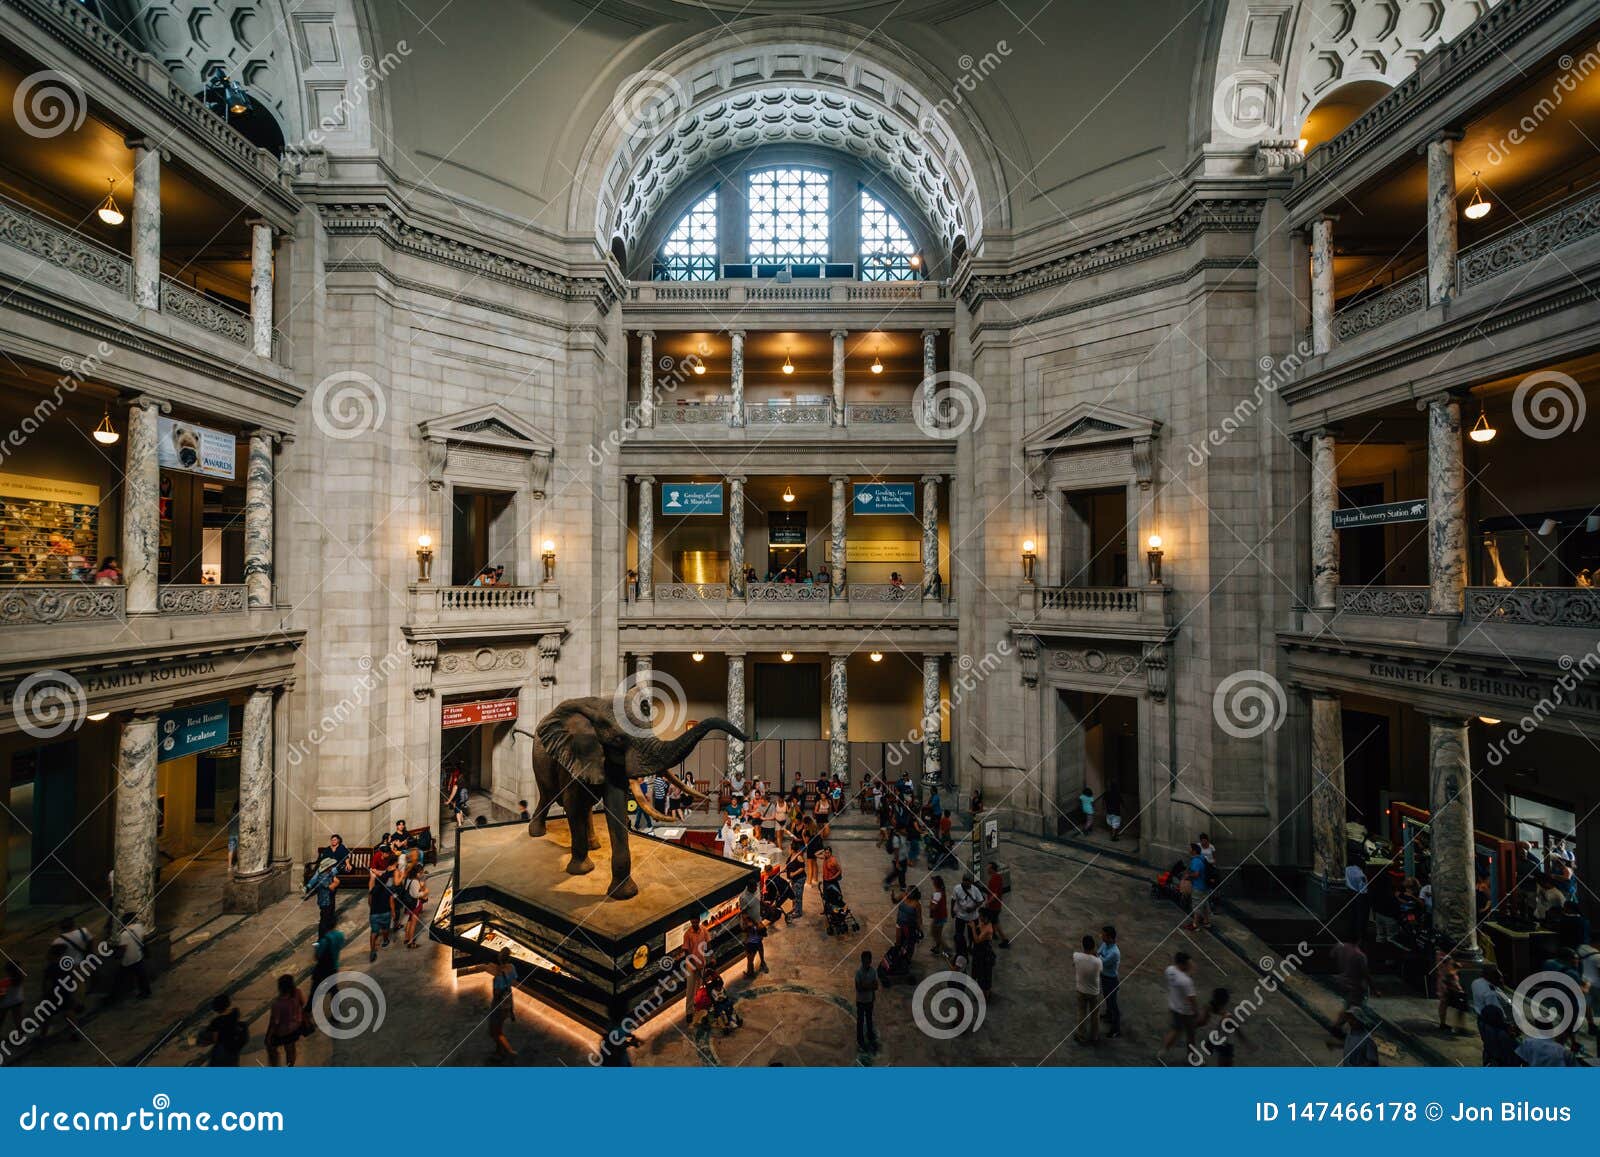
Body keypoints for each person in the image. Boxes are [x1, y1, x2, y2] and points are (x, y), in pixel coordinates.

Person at [1161, 951, 1198, 1056]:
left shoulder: (1169, 970)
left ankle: (1164, 1050)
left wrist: (1189, 972)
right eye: (1188, 963)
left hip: (1174, 1006)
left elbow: (1182, 977)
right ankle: (1192, 1056)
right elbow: (1192, 999)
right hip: (1185, 1011)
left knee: (1176, 1030)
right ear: (1183, 964)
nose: (1191, 965)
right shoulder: (1186, 981)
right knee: (1190, 1034)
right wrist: (1196, 1011)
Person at [265, 974, 306, 1067]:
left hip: (282, 1032)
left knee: (272, 1047)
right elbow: (302, 1004)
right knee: (290, 1048)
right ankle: (290, 1066)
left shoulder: (277, 1004)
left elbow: (275, 1022)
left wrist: (269, 1036)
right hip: (295, 1028)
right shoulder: (297, 992)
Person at [111, 910, 152, 1002]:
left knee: (120, 978)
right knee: (142, 976)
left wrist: (116, 957)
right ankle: (146, 992)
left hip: (128, 960)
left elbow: (123, 949)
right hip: (138, 956)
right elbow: (144, 938)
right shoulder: (140, 927)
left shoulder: (123, 934)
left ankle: (116, 996)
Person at [1199, 987, 1245, 1065]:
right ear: (1226, 1001)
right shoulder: (1227, 1017)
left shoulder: (1208, 1007)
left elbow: (1202, 1021)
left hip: (1211, 1039)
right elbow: (1238, 1031)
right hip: (1225, 1044)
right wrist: (1247, 1043)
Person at [1073, 934, 1103, 1044]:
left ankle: (1081, 1035)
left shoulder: (1076, 956)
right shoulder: (1097, 961)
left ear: (1083, 945)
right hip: (1094, 992)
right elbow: (1100, 970)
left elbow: (1074, 963)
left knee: (1081, 1013)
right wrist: (1096, 956)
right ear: (1094, 946)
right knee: (1095, 1015)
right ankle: (1095, 1036)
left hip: (1081, 989)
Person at [202, 994, 248, 1066]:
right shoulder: (235, 1016)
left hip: (222, 1052)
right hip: (233, 1052)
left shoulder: (216, 1022)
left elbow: (214, 1038)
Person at [310, 924, 346, 1018]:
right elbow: (340, 945)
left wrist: (316, 948)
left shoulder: (324, 941)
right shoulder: (340, 935)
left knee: (315, 990)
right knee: (334, 989)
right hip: (334, 966)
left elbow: (317, 957)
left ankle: (307, 1010)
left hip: (323, 969)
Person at [489, 948, 517, 1062]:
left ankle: (509, 1051)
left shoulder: (498, 976)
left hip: (498, 1006)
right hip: (508, 1002)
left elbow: (496, 994)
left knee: (495, 1032)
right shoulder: (512, 967)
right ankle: (499, 1051)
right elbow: (513, 980)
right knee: (499, 1028)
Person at [681, 912, 710, 1021]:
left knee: (699, 988)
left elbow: (709, 943)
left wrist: (711, 958)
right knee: (690, 989)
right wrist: (694, 965)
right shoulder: (687, 934)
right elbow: (686, 952)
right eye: (692, 922)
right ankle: (689, 1012)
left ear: (699, 920)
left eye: (696, 921)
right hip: (691, 966)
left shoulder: (704, 930)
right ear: (690, 922)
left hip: (701, 964)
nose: (694, 923)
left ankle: (698, 1008)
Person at [367, 856, 395, 962]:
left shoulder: (373, 890)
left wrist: (372, 908)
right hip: (385, 912)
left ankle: (372, 950)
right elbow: (391, 902)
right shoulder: (388, 890)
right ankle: (385, 939)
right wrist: (393, 912)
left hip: (374, 913)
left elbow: (369, 901)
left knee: (374, 932)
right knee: (385, 928)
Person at [1435, 950, 1469, 1035]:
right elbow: (1449, 972)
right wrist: (1457, 967)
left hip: (1447, 983)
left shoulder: (1441, 955)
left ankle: (1446, 1024)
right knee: (1456, 1005)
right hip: (1448, 985)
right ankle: (1458, 1027)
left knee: (1445, 1004)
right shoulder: (1445, 957)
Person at [952, 871, 985, 956]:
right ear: (963, 881)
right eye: (966, 882)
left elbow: (980, 901)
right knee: (959, 934)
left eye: (969, 882)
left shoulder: (975, 890)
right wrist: (952, 910)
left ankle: (970, 946)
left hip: (972, 917)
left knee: (972, 934)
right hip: (960, 916)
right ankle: (960, 948)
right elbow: (953, 900)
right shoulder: (957, 888)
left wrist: (973, 908)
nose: (968, 884)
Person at [1099, 925, 1123, 1038]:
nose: (1101, 936)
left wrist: (1100, 956)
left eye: (1103, 935)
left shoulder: (1114, 952)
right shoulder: (1105, 944)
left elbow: (1101, 962)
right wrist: (1100, 956)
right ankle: (1108, 1016)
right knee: (1107, 998)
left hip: (1111, 980)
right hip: (1104, 976)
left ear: (1110, 938)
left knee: (1113, 1004)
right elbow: (1099, 954)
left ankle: (1116, 1029)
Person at [854, 949, 880, 1051]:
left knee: (869, 1019)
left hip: (869, 1000)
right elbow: (858, 988)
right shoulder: (859, 972)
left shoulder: (873, 971)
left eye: (868, 961)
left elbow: (876, 986)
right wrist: (870, 986)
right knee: (860, 1021)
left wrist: (868, 988)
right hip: (860, 1001)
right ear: (862, 961)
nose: (867, 963)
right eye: (865, 961)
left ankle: (870, 1034)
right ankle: (860, 1039)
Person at [1183, 842, 1212, 930]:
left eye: (1190, 848)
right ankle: (1206, 922)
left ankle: (1195, 925)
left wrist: (1188, 876)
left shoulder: (1195, 860)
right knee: (1205, 904)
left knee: (1196, 905)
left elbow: (1196, 874)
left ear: (1194, 851)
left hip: (1198, 886)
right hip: (1205, 886)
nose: (1189, 850)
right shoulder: (1203, 858)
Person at [399, 863, 429, 948]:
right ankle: (411, 942)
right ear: (417, 873)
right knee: (413, 923)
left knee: (409, 920)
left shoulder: (408, 879)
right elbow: (415, 895)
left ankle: (406, 938)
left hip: (408, 903)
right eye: (421, 873)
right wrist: (425, 892)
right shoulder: (415, 881)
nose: (422, 875)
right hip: (414, 904)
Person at [984, 861, 1012, 948]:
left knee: (996, 923)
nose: (986, 869)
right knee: (993, 921)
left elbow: (995, 894)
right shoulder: (996, 877)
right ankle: (994, 934)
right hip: (995, 905)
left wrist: (987, 903)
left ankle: (1005, 940)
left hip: (994, 906)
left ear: (992, 869)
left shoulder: (995, 878)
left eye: (988, 868)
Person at [971, 911, 998, 996]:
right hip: (978, 952)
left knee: (984, 975)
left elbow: (977, 940)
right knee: (977, 972)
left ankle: (985, 995)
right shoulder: (982, 922)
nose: (979, 917)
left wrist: (973, 928)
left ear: (985, 917)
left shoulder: (988, 928)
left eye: (981, 916)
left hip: (984, 954)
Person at [895, 885, 923, 957]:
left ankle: (908, 959)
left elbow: (919, 918)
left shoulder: (917, 904)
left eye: (907, 891)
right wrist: (892, 897)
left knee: (910, 943)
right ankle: (898, 955)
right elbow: (895, 901)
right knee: (898, 941)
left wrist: (920, 929)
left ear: (912, 894)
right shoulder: (903, 896)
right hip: (899, 923)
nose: (906, 892)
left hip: (909, 927)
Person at [0, 961, 24, 1036]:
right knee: (18, 1020)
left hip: (5, 1003)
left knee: (0, 1020)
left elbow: (2, 994)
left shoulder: (4, 982)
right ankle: (21, 1035)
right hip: (18, 1000)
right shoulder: (19, 978)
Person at [928, 875, 950, 957]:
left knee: (935, 934)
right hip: (942, 916)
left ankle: (946, 950)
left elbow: (934, 907)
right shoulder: (942, 891)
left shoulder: (937, 894)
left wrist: (930, 904)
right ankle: (937, 948)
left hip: (939, 917)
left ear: (935, 884)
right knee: (937, 934)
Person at [883, 826, 909, 890]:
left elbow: (905, 847)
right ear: (900, 830)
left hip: (903, 858)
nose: (905, 830)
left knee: (897, 872)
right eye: (904, 829)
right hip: (899, 859)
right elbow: (896, 851)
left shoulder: (904, 836)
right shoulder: (896, 838)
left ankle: (887, 881)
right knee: (901, 872)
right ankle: (902, 886)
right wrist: (897, 862)